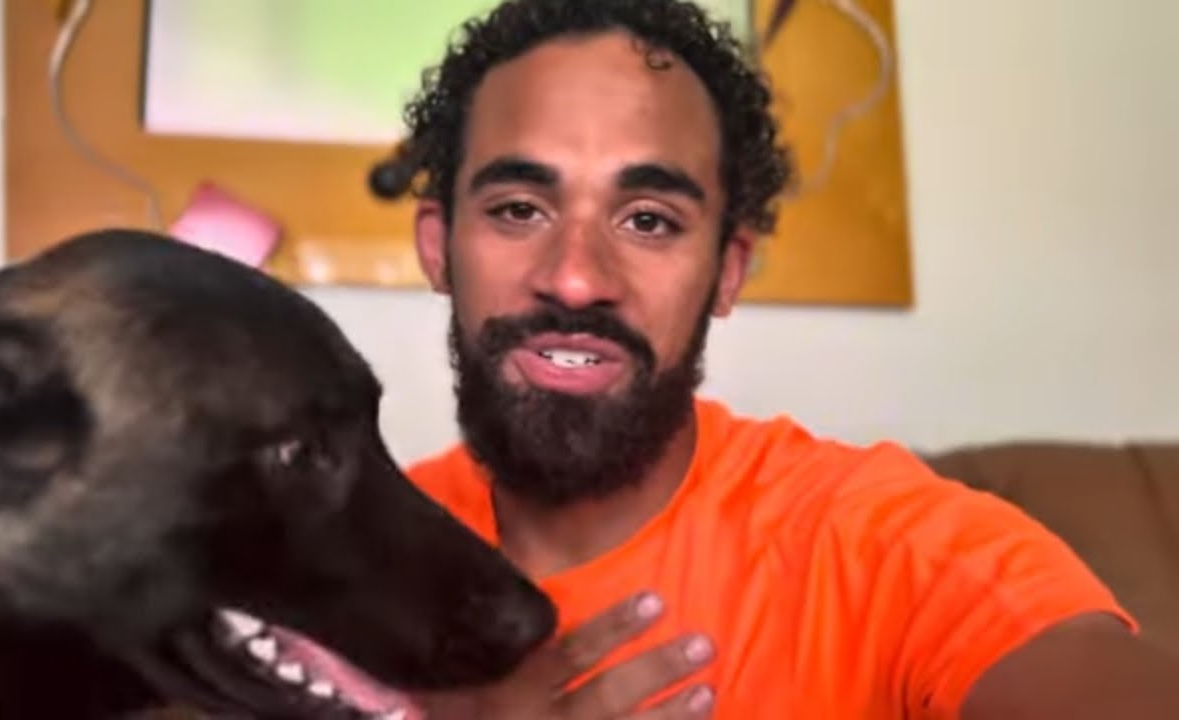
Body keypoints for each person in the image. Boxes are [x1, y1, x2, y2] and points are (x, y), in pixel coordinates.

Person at [380, 0, 1179, 716]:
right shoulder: (345, 559)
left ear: (727, 271)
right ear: (439, 246)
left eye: (649, 220)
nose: (577, 278)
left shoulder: (887, 551)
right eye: (519, 209)